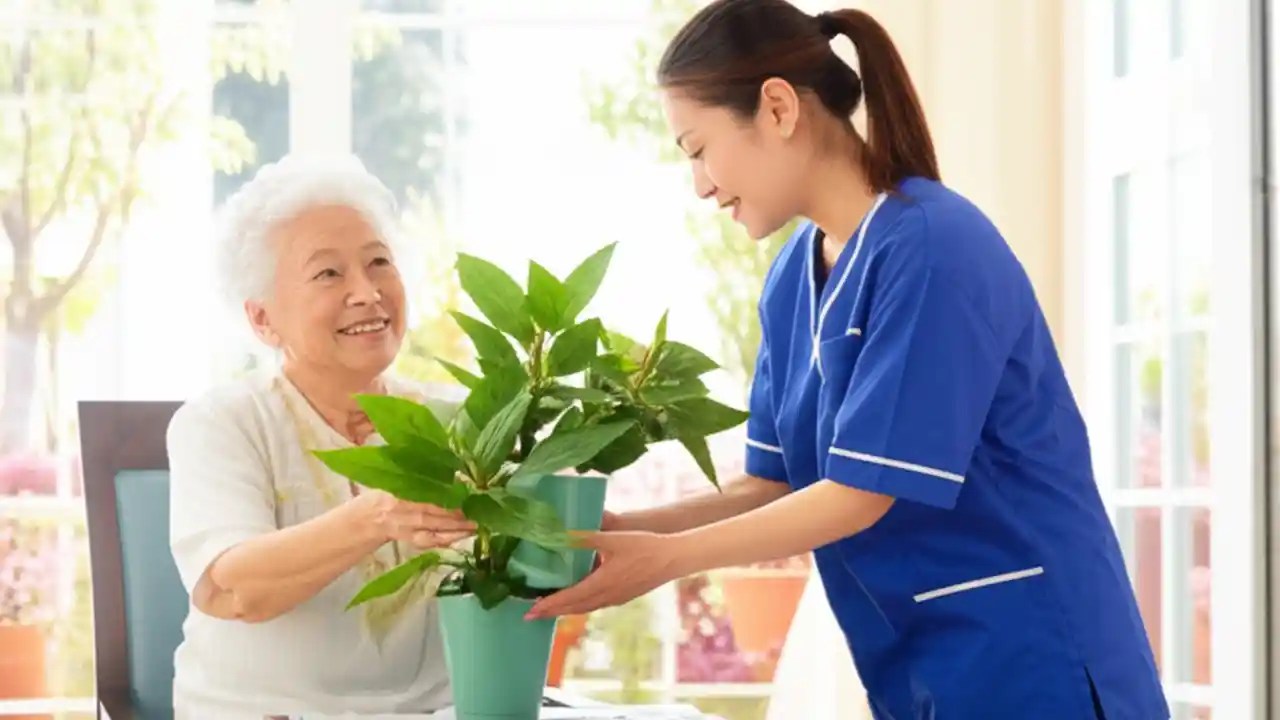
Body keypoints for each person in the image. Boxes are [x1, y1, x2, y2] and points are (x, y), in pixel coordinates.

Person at [525, 2, 1170, 718]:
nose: (701, 184)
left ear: (776, 107)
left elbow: (862, 492)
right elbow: (771, 486)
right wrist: (631, 529)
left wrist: (667, 563)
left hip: (1032, 659)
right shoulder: (790, 281)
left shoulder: (934, 247)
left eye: (698, 148)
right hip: (922, 668)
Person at [166, 154, 473, 718]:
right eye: (329, 273)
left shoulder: (459, 420)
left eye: (379, 262)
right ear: (263, 319)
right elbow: (237, 589)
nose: (368, 292)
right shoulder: (222, 423)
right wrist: (382, 514)